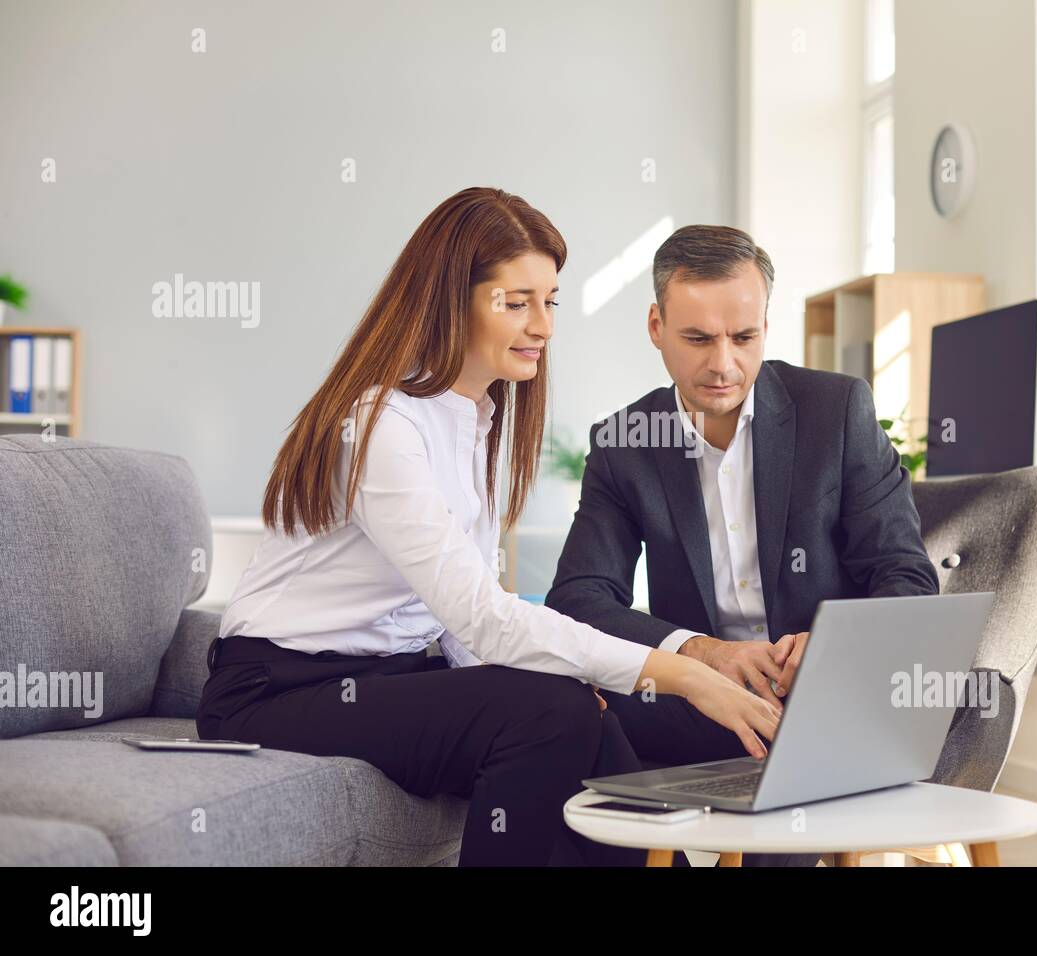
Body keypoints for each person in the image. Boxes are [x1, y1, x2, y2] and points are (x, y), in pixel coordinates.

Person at [196, 189, 780, 867]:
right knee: (546, 714)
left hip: (397, 674)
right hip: (279, 690)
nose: (544, 325)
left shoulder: (477, 419)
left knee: (581, 714)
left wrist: (580, 682)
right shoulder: (382, 423)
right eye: (517, 301)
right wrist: (682, 673)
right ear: (452, 299)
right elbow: (480, 617)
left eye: (550, 300)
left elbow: (461, 632)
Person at [545, 224, 941, 866]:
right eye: (698, 338)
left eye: (744, 337)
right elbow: (580, 597)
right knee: (558, 712)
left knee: (798, 766)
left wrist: (835, 646)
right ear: (656, 325)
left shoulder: (835, 412)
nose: (723, 363)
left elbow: (904, 576)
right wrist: (702, 655)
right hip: (698, 700)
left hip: (818, 694)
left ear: (764, 325)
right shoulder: (625, 444)